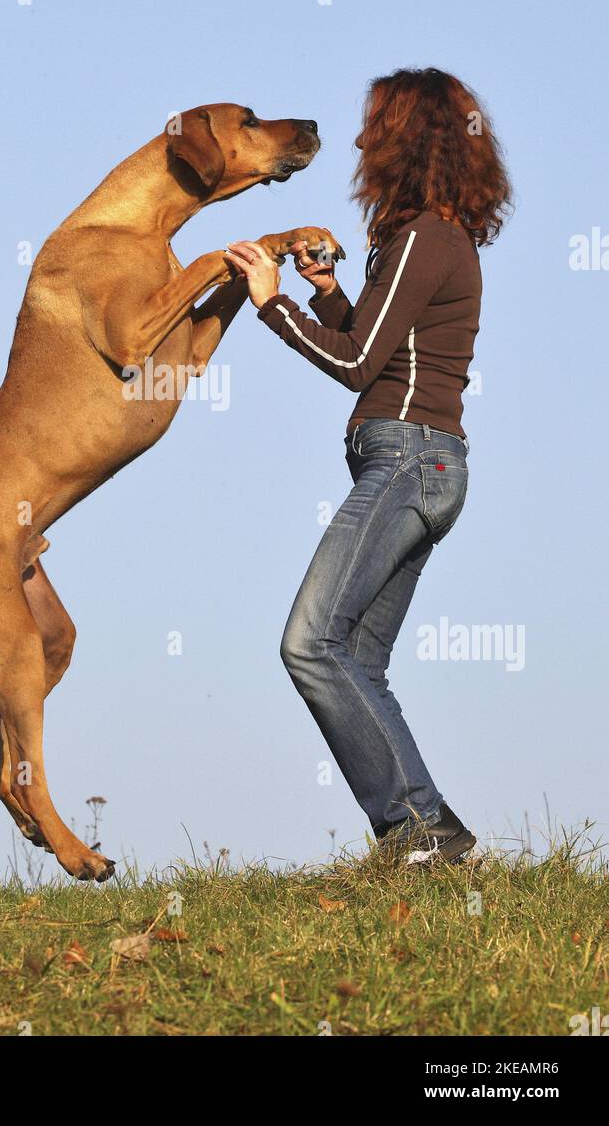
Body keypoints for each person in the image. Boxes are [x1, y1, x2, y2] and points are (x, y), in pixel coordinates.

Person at [226, 67, 512, 864]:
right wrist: (323, 292)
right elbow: (385, 349)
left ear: (405, 140)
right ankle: (434, 839)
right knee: (355, 661)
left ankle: (416, 831)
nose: (357, 141)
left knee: (309, 644)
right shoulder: (430, 237)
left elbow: (357, 368)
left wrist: (271, 301)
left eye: (372, 127)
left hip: (409, 461)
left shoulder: (424, 237)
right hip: (424, 467)